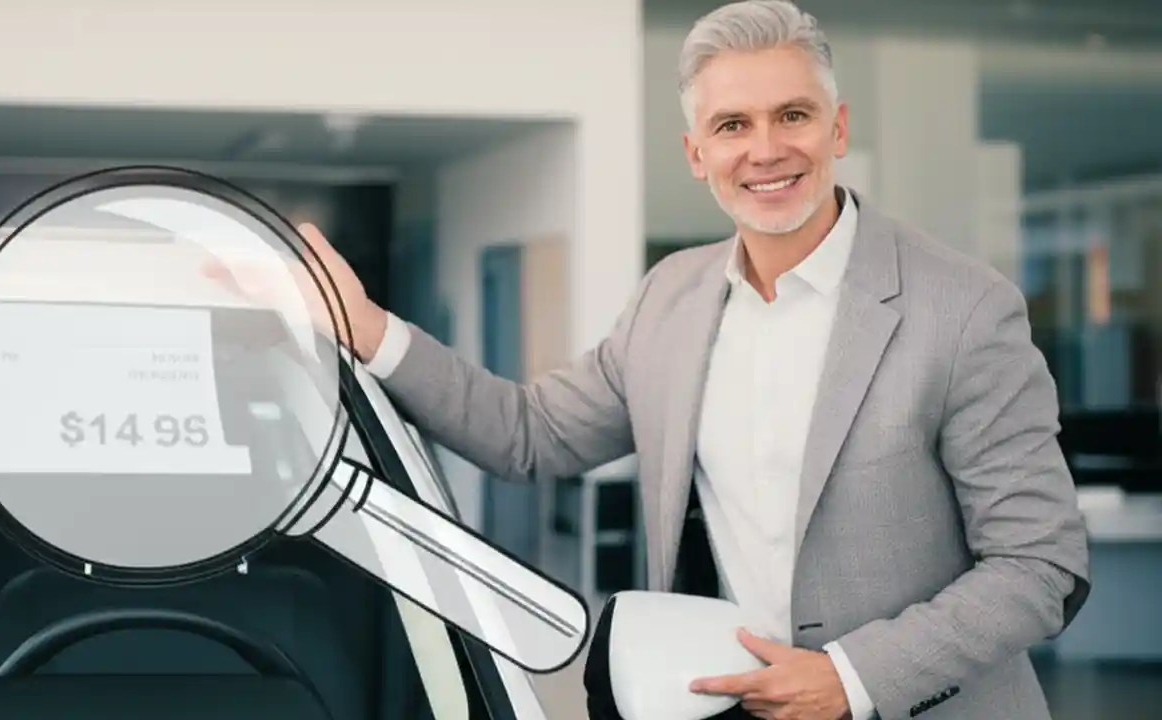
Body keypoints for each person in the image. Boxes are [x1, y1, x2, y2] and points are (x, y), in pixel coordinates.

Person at [246, 2, 1092, 718]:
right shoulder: (670, 299)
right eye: (732, 125)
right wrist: (367, 328)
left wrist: (849, 677)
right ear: (698, 155)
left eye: (792, 116)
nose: (766, 150)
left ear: (836, 129)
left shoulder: (965, 309)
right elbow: (529, 434)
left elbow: (1039, 565)